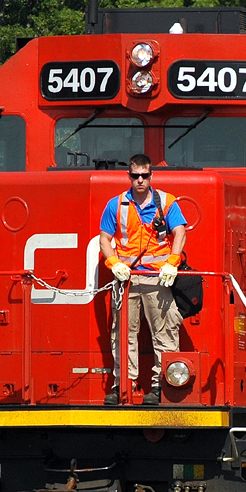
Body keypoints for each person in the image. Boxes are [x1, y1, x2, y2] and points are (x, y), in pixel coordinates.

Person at [99, 154, 187, 405]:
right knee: (123, 334)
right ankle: (123, 385)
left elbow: (179, 232)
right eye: (135, 175)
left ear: (151, 176)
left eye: (144, 175)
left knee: (164, 333)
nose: (140, 180)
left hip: (158, 280)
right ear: (129, 176)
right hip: (126, 281)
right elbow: (104, 239)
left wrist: (172, 262)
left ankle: (161, 385)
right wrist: (113, 263)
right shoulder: (115, 205)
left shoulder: (167, 202)